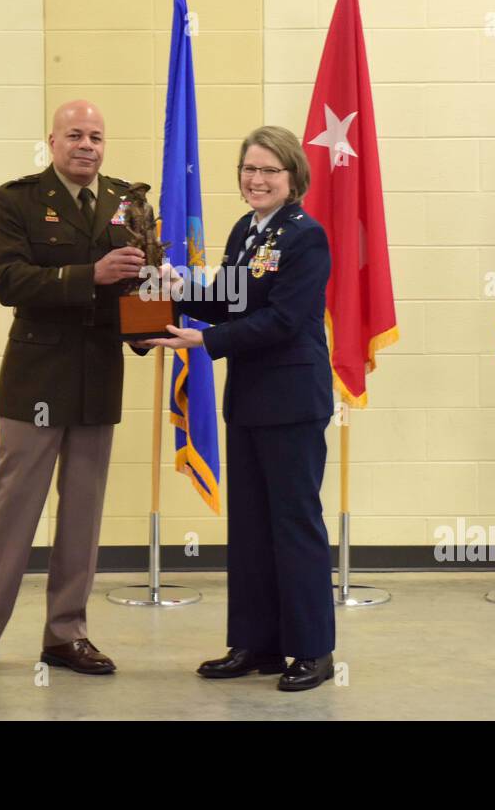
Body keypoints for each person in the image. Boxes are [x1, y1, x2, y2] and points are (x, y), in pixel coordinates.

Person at [0, 100, 147, 683]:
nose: (87, 145)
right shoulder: (18, 200)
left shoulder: (128, 202)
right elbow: (9, 282)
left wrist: (156, 319)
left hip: (97, 378)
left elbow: (137, 281)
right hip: (37, 378)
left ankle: (67, 634)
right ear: (52, 141)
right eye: (75, 135)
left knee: (82, 516)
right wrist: (91, 276)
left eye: (97, 136)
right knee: (12, 514)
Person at [142, 125, 336, 692]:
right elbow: (232, 299)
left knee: (294, 524)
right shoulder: (246, 231)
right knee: (251, 528)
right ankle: (255, 644)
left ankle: (312, 652)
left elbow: (282, 320)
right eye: (249, 169)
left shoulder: (306, 237)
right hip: (250, 400)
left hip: (293, 401)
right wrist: (174, 287)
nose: (256, 179)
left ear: (292, 177)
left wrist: (205, 343)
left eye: (269, 170)